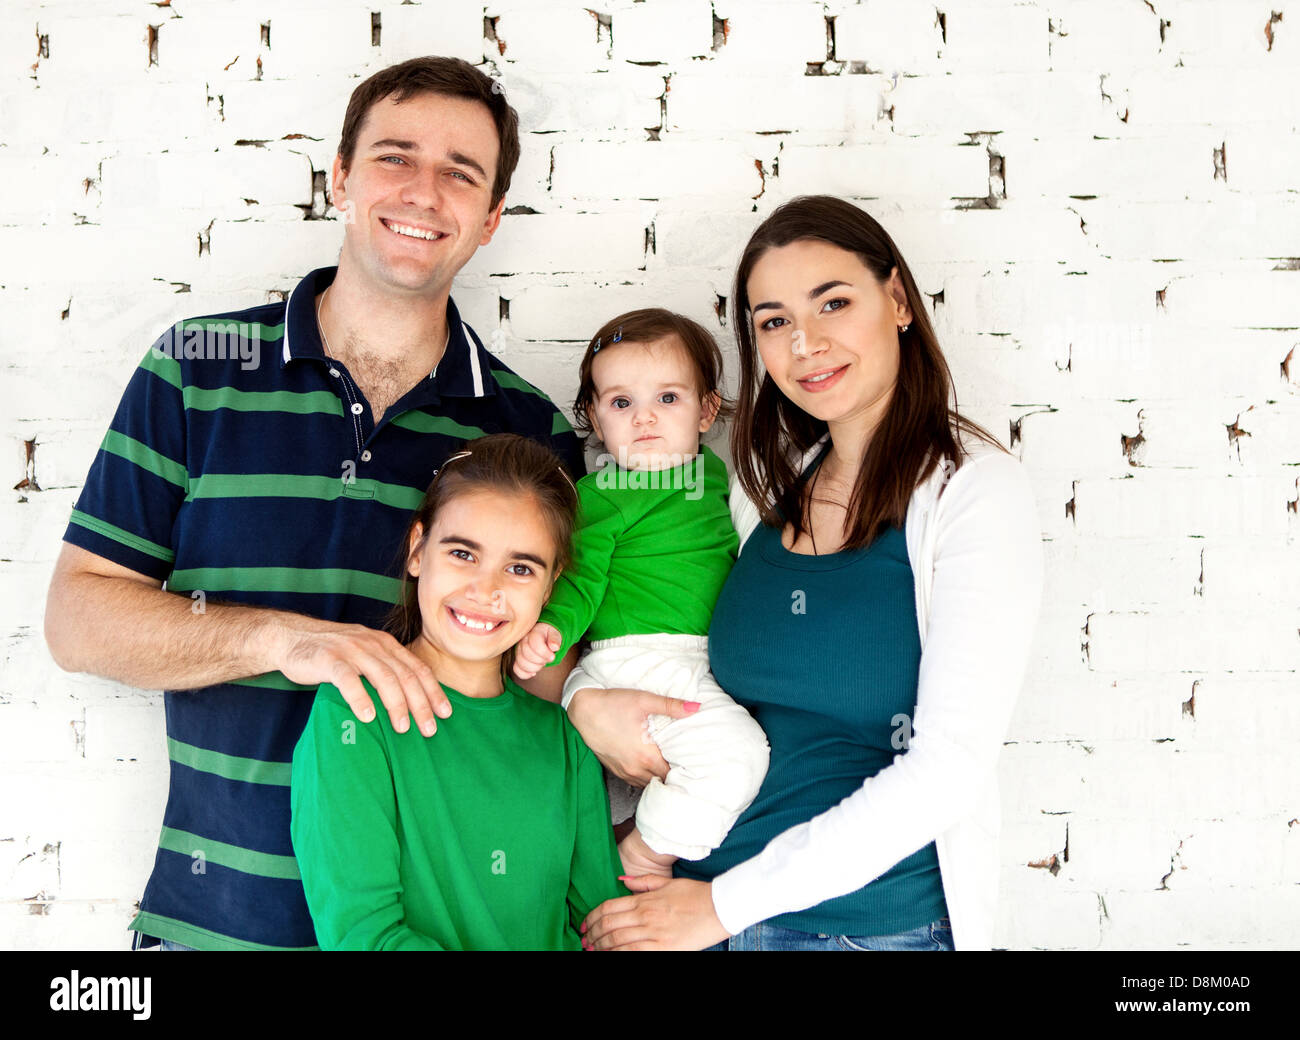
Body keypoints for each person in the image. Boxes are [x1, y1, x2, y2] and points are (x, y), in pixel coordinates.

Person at [40, 57, 630, 951]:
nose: (425, 192)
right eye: (395, 157)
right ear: (341, 179)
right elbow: (78, 622)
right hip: (215, 929)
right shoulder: (198, 370)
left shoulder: (528, 435)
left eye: (462, 173)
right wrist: (284, 641)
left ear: (492, 217)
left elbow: (534, 690)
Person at [574, 195, 1044, 951]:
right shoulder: (759, 491)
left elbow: (947, 769)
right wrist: (587, 705)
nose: (806, 342)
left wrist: (725, 905)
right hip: (697, 908)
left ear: (896, 301)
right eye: (773, 321)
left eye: (832, 302)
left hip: (863, 930)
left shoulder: (973, 494)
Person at [290, 434, 628, 950]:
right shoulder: (355, 714)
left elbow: (602, 928)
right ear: (418, 550)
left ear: (551, 582)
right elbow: (365, 936)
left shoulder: (563, 739)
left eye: (520, 568)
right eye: (463, 553)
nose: (485, 590)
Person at [511, 309, 770, 880]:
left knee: (649, 784)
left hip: (693, 662)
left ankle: (609, 868)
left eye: (668, 399)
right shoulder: (603, 493)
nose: (645, 418)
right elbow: (578, 573)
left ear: (706, 411)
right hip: (638, 660)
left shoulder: (715, 477)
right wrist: (552, 629)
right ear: (596, 420)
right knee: (738, 756)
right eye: (621, 403)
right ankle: (646, 859)